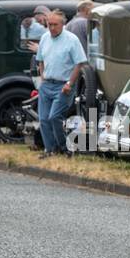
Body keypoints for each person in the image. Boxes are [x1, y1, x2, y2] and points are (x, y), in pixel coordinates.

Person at [34, 10, 87, 156]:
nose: (51, 28)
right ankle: (50, 150)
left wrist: (70, 83)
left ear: (63, 24)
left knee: (54, 116)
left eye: (55, 25)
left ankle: (64, 148)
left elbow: (79, 63)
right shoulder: (45, 38)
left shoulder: (72, 39)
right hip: (47, 84)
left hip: (63, 85)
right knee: (44, 119)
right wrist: (42, 77)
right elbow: (40, 59)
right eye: (49, 24)